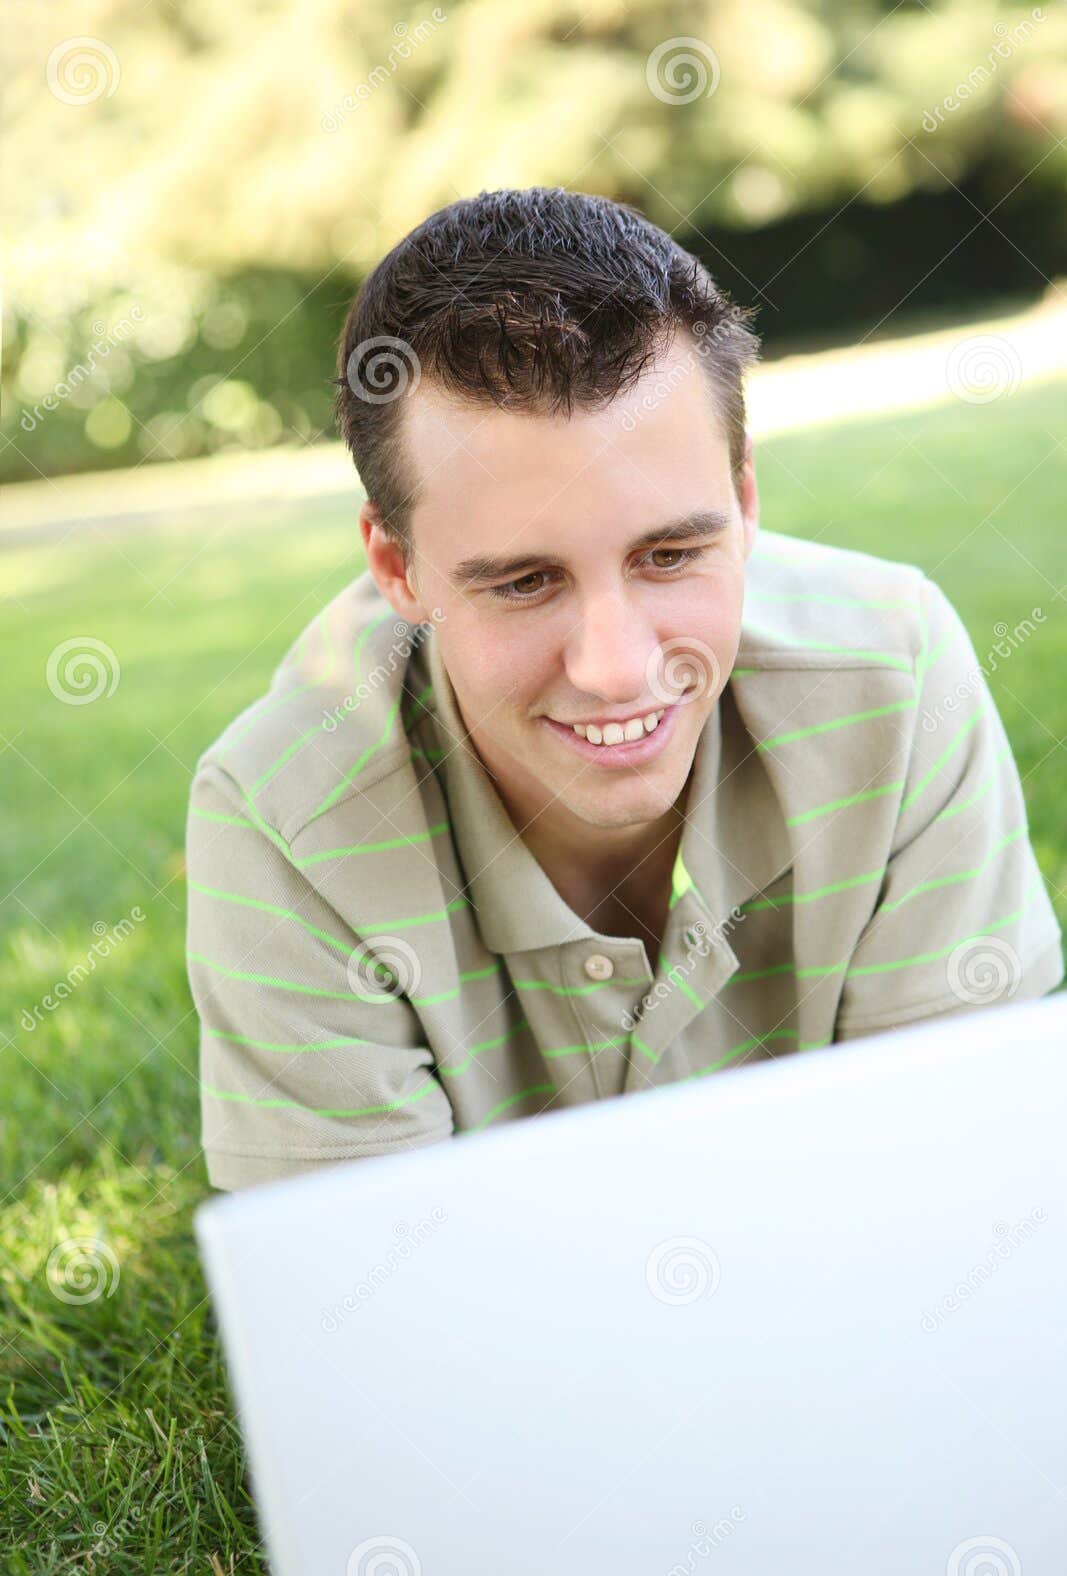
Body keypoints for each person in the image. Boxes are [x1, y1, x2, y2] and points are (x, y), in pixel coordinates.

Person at [185, 186, 1064, 1192]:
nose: (614, 667)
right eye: (523, 581)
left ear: (741, 500)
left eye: (668, 554)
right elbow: (365, 1296)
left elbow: (969, 1178)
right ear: (396, 569)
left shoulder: (896, 680)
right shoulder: (279, 819)